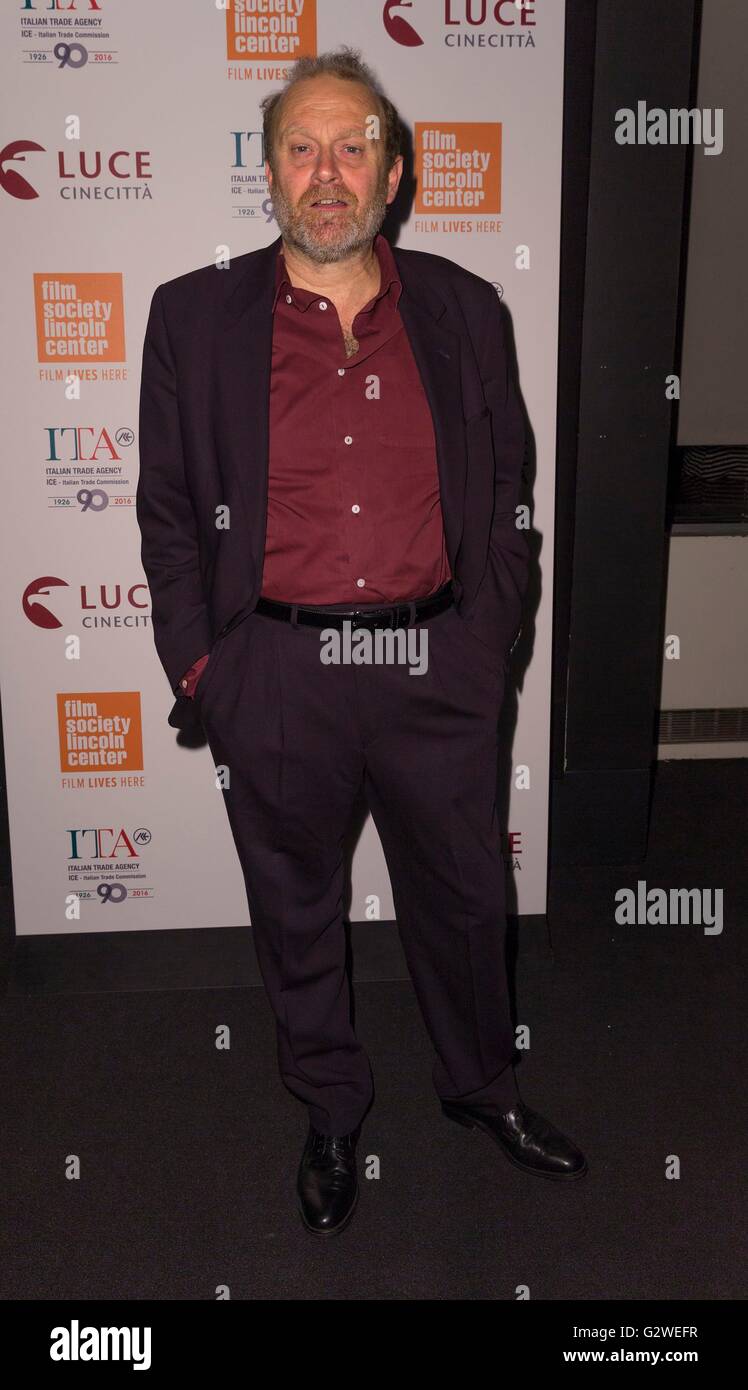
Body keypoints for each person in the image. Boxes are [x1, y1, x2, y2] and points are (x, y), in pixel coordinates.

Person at [136, 46, 587, 1238]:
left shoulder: (462, 308)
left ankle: (481, 1085)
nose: (325, 172)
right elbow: (170, 513)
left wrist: (487, 640)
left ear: (392, 174)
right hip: (274, 672)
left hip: (432, 660)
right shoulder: (192, 316)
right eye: (300, 147)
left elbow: (506, 496)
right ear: (270, 173)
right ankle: (331, 1107)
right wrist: (204, 665)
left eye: (351, 147)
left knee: (465, 895)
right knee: (295, 908)